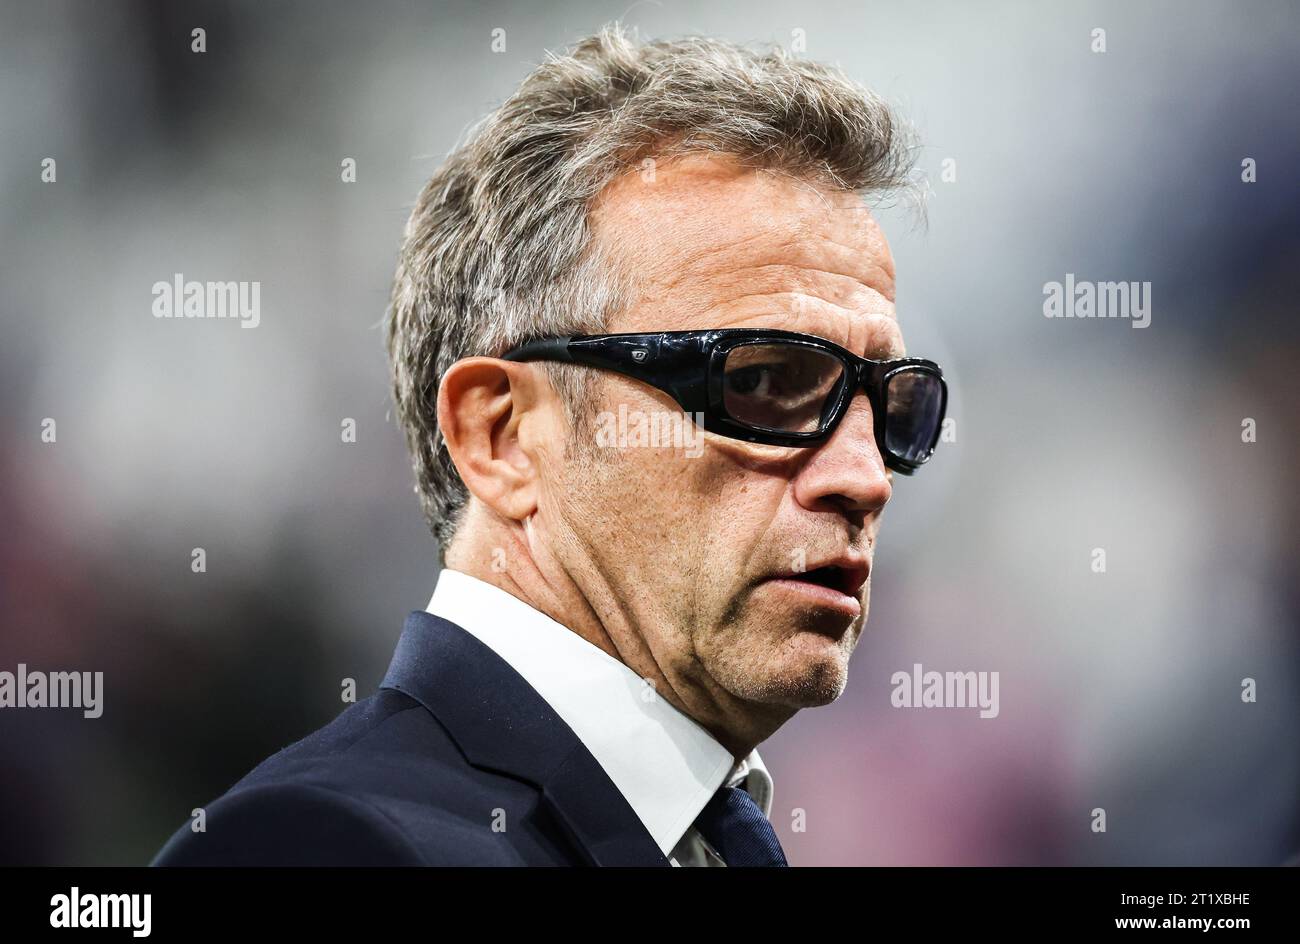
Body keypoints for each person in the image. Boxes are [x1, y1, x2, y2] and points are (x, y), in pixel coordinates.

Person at [153, 21, 945, 867]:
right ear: (501, 436)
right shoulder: (320, 847)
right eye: (759, 383)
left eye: (891, 407)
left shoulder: (689, 836)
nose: (866, 477)